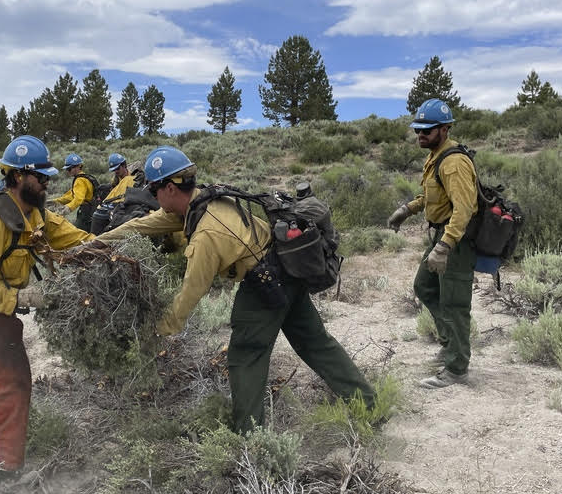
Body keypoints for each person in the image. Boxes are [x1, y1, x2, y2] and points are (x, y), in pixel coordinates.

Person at [99, 145, 375, 432]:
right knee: (317, 345)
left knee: (245, 358)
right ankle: (369, 404)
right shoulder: (203, 201)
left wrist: (162, 328)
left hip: (264, 285)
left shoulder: (206, 233)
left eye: (154, 189)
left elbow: (192, 290)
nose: (152, 196)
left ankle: (249, 439)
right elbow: (146, 224)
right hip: (288, 272)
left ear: (170, 188)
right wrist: (100, 242)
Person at [0, 136, 91, 478]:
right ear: (16, 177)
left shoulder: (35, 216)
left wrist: (129, 241)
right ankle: (0, 481)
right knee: (9, 385)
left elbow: (81, 240)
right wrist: (21, 298)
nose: (46, 183)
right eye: (39, 177)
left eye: (47, 178)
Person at [387, 98, 478, 389]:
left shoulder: (453, 163)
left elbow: (464, 209)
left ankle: (457, 368)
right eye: (418, 129)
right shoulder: (436, 156)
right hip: (444, 235)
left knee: (454, 304)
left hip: (457, 240)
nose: (421, 135)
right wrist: (407, 210)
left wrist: (445, 246)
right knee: (424, 287)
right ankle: (451, 345)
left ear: (445, 129)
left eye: (428, 129)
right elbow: (432, 196)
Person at [52, 153, 97, 232]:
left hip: (86, 212)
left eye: (69, 169)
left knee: (76, 232)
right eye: (67, 169)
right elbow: (71, 195)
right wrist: (56, 201)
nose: (68, 171)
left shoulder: (79, 180)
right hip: (92, 209)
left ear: (78, 166)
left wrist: (67, 209)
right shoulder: (85, 177)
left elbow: (78, 199)